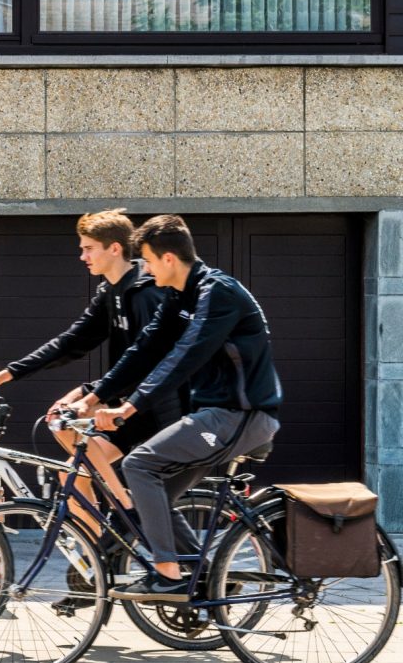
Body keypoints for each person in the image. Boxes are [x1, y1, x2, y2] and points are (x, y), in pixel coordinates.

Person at [74, 215, 282, 602]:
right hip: (211, 416)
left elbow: (183, 357)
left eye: (148, 262)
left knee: (138, 464)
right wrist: (94, 397)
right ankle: (200, 580)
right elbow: (146, 349)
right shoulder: (178, 294)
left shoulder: (217, 293)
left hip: (241, 415)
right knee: (151, 502)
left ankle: (168, 575)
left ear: (168, 259)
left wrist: (130, 407)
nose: (145, 270)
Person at [0, 209, 179, 524]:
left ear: (115, 248)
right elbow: (70, 342)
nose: (82, 256)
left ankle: (126, 507)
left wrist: (89, 394)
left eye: (88, 248)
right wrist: (2, 377)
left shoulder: (146, 293)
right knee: (71, 476)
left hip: (157, 409)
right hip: (128, 405)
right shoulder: (110, 292)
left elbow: (147, 360)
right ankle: (100, 554)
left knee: (70, 423)